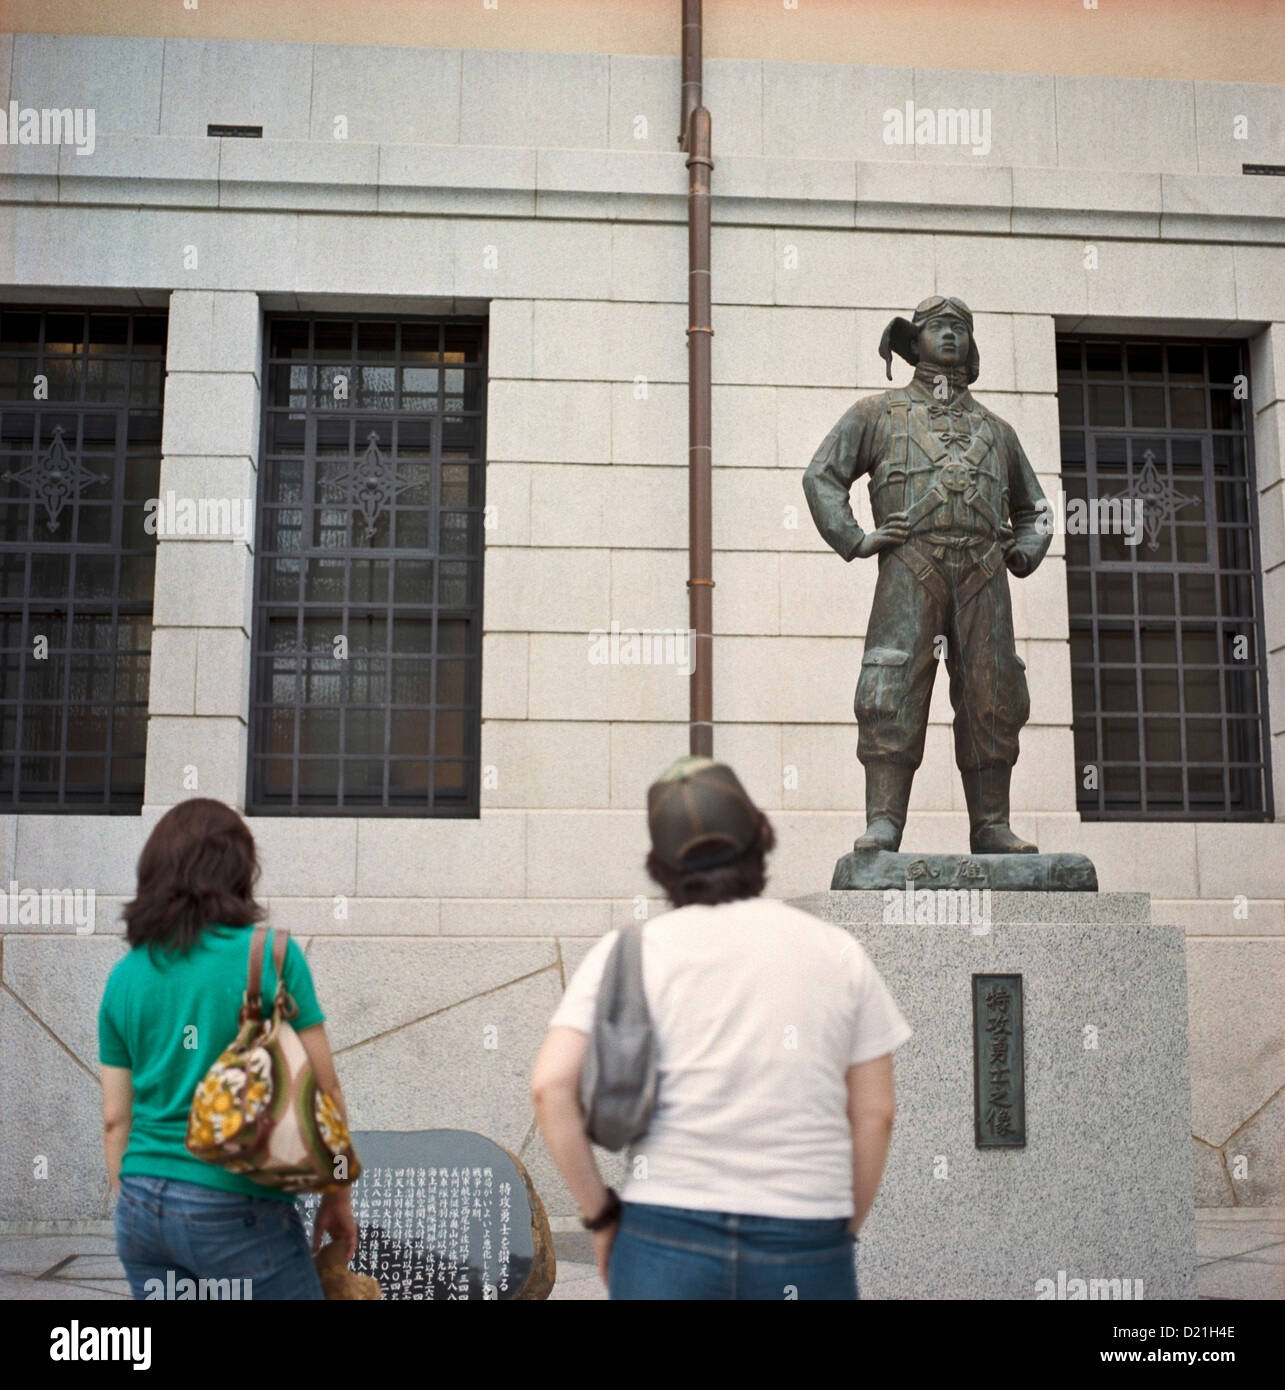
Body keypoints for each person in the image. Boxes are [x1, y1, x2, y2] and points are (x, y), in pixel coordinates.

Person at [531, 756, 912, 1300]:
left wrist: (600, 1216)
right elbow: (877, 1113)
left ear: (659, 866)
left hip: (663, 1239)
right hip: (803, 1239)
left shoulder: (630, 952)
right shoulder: (836, 953)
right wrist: (835, 1233)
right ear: (762, 838)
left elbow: (549, 1088)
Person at [802, 294, 1051, 855]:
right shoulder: (878, 414)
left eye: (959, 328)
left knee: (994, 694)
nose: (948, 336)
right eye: (937, 327)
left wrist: (1024, 551)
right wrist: (858, 540)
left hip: (985, 575)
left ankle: (991, 825)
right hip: (910, 571)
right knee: (891, 689)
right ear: (913, 342)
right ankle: (884, 823)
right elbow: (822, 476)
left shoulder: (998, 431)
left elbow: (1036, 509)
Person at [98, 797, 357, 1300]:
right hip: (236, 1206)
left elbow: (115, 1120)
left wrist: (135, 1201)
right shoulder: (272, 956)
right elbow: (326, 1091)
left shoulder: (123, 978)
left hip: (141, 1207)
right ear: (240, 872)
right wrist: (337, 1191)